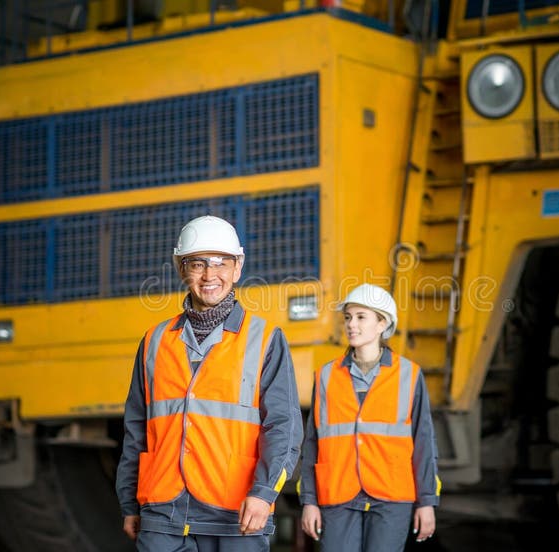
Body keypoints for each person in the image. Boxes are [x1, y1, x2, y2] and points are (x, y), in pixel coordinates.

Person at [116, 215, 303, 552]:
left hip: (235, 511)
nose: (209, 274)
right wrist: (130, 502)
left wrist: (264, 493)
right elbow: (136, 429)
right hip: (163, 512)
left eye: (220, 262)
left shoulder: (264, 339)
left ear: (237, 268)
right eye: (197, 263)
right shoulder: (155, 341)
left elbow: (283, 427)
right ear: (181, 269)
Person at [299, 283, 440, 551]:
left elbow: (424, 442)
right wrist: (309, 500)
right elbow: (312, 445)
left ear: (382, 324)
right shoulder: (326, 376)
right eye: (348, 317)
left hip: (391, 495)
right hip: (337, 492)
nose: (351, 324)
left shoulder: (408, 374)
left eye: (361, 317)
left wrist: (427, 502)